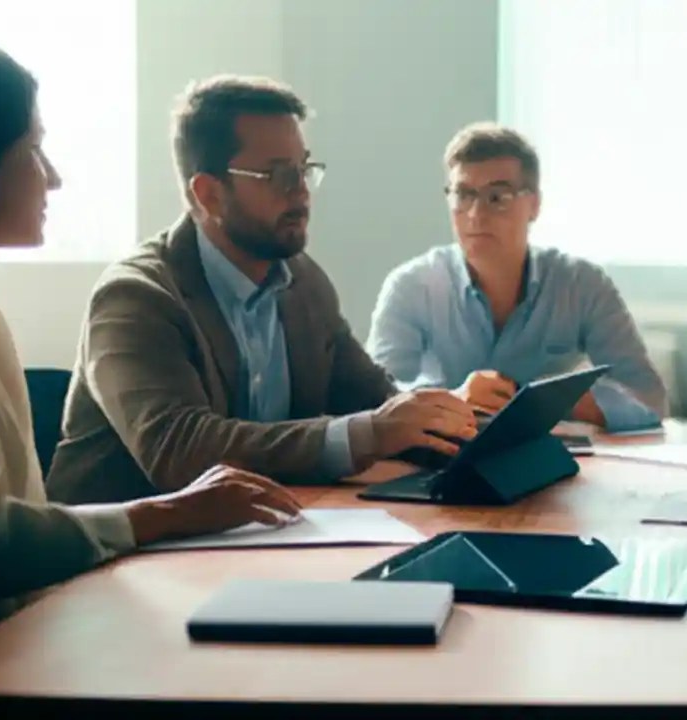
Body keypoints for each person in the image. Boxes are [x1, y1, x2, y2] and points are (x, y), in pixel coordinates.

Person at [0, 38, 303, 638]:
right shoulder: (138, 291)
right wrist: (164, 516)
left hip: (30, 630)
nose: (54, 178)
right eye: (34, 151)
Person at [47, 76, 478, 504]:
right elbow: (177, 449)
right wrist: (367, 433)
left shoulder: (304, 283)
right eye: (277, 174)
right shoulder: (136, 297)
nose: (301, 191)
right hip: (121, 557)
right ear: (209, 194)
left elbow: (374, 401)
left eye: (304, 169)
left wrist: (465, 433)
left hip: (260, 536)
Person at [365, 123, 666, 432]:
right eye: (463, 195)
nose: (475, 215)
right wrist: (454, 401)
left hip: (546, 461)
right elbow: (370, 404)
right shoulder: (411, 288)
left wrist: (562, 400)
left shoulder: (580, 285)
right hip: (435, 463)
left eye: (497, 197)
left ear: (534, 205)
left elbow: (650, 398)